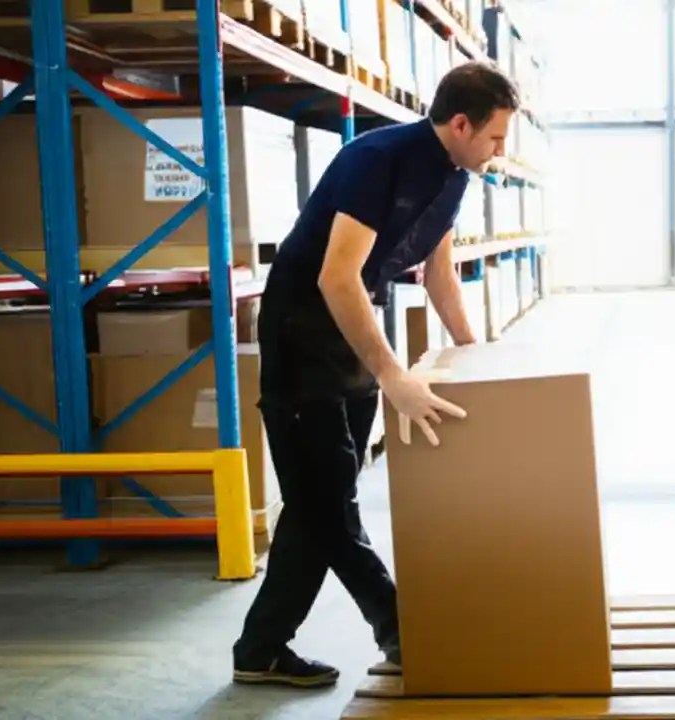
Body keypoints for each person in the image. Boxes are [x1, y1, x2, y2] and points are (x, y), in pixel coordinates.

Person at [231, 62, 521, 689]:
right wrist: (392, 374)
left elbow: (438, 273)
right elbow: (336, 276)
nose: (502, 151)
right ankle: (402, 630)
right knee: (328, 501)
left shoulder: (456, 176)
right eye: (496, 138)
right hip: (301, 329)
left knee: (318, 498)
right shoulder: (378, 159)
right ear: (462, 123)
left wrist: (475, 353)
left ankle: (258, 649)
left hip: (355, 331)